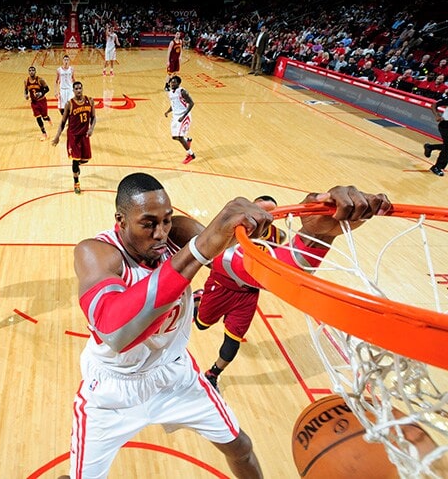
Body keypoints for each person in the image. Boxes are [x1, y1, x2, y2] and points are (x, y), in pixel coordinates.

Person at [60, 173, 391, 478]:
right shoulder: (96, 253)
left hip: (174, 374)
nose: (161, 233)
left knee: (241, 448)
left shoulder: (178, 236)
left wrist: (317, 236)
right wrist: (200, 249)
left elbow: (261, 272)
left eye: (166, 220)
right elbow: (116, 332)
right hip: (112, 390)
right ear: (121, 221)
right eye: (148, 224)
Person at [194, 195, 286, 392]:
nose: (264, 216)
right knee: (202, 324)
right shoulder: (233, 226)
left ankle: (213, 373)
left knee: (233, 340)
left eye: (270, 213)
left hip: (248, 294)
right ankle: (198, 297)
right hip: (221, 285)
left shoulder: (278, 236)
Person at [51, 81, 95, 194]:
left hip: (84, 135)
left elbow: (94, 118)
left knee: (85, 159)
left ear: (82, 89)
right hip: (73, 136)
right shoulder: (69, 104)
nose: (79, 90)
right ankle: (76, 183)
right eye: (76, 89)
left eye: (80, 88)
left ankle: (77, 165)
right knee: (75, 160)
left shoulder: (90, 101)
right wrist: (57, 137)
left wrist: (91, 128)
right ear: (73, 90)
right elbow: (62, 122)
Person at [163, 75, 196, 164]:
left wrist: (183, 116)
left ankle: (191, 155)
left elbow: (191, 103)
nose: (172, 84)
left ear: (178, 83)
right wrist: (168, 111)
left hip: (184, 115)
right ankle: (187, 140)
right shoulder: (170, 92)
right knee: (175, 137)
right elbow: (174, 104)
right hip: (175, 116)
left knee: (180, 137)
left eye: (174, 82)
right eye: (171, 82)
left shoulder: (182, 91)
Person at [24, 66, 52, 141]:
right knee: (38, 118)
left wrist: (41, 93)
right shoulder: (26, 81)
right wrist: (26, 95)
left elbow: (47, 89)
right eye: (30, 70)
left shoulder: (40, 80)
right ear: (28, 72)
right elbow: (26, 90)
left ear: (35, 72)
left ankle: (48, 118)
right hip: (34, 102)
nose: (31, 72)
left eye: (33, 70)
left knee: (44, 117)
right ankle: (44, 133)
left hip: (42, 101)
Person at [424, 94, 448, 177]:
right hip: (445, 125)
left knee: (447, 145)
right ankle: (437, 167)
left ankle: (430, 147)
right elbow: (434, 105)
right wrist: (437, 115)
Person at [55, 54, 76, 119]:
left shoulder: (71, 69)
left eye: (67, 60)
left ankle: (70, 119)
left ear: (69, 61)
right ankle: (64, 117)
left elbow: (73, 79)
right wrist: (56, 91)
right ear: (63, 61)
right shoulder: (59, 70)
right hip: (62, 90)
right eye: (65, 60)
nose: (66, 61)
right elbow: (56, 81)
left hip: (70, 89)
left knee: (71, 105)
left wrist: (76, 89)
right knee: (61, 107)